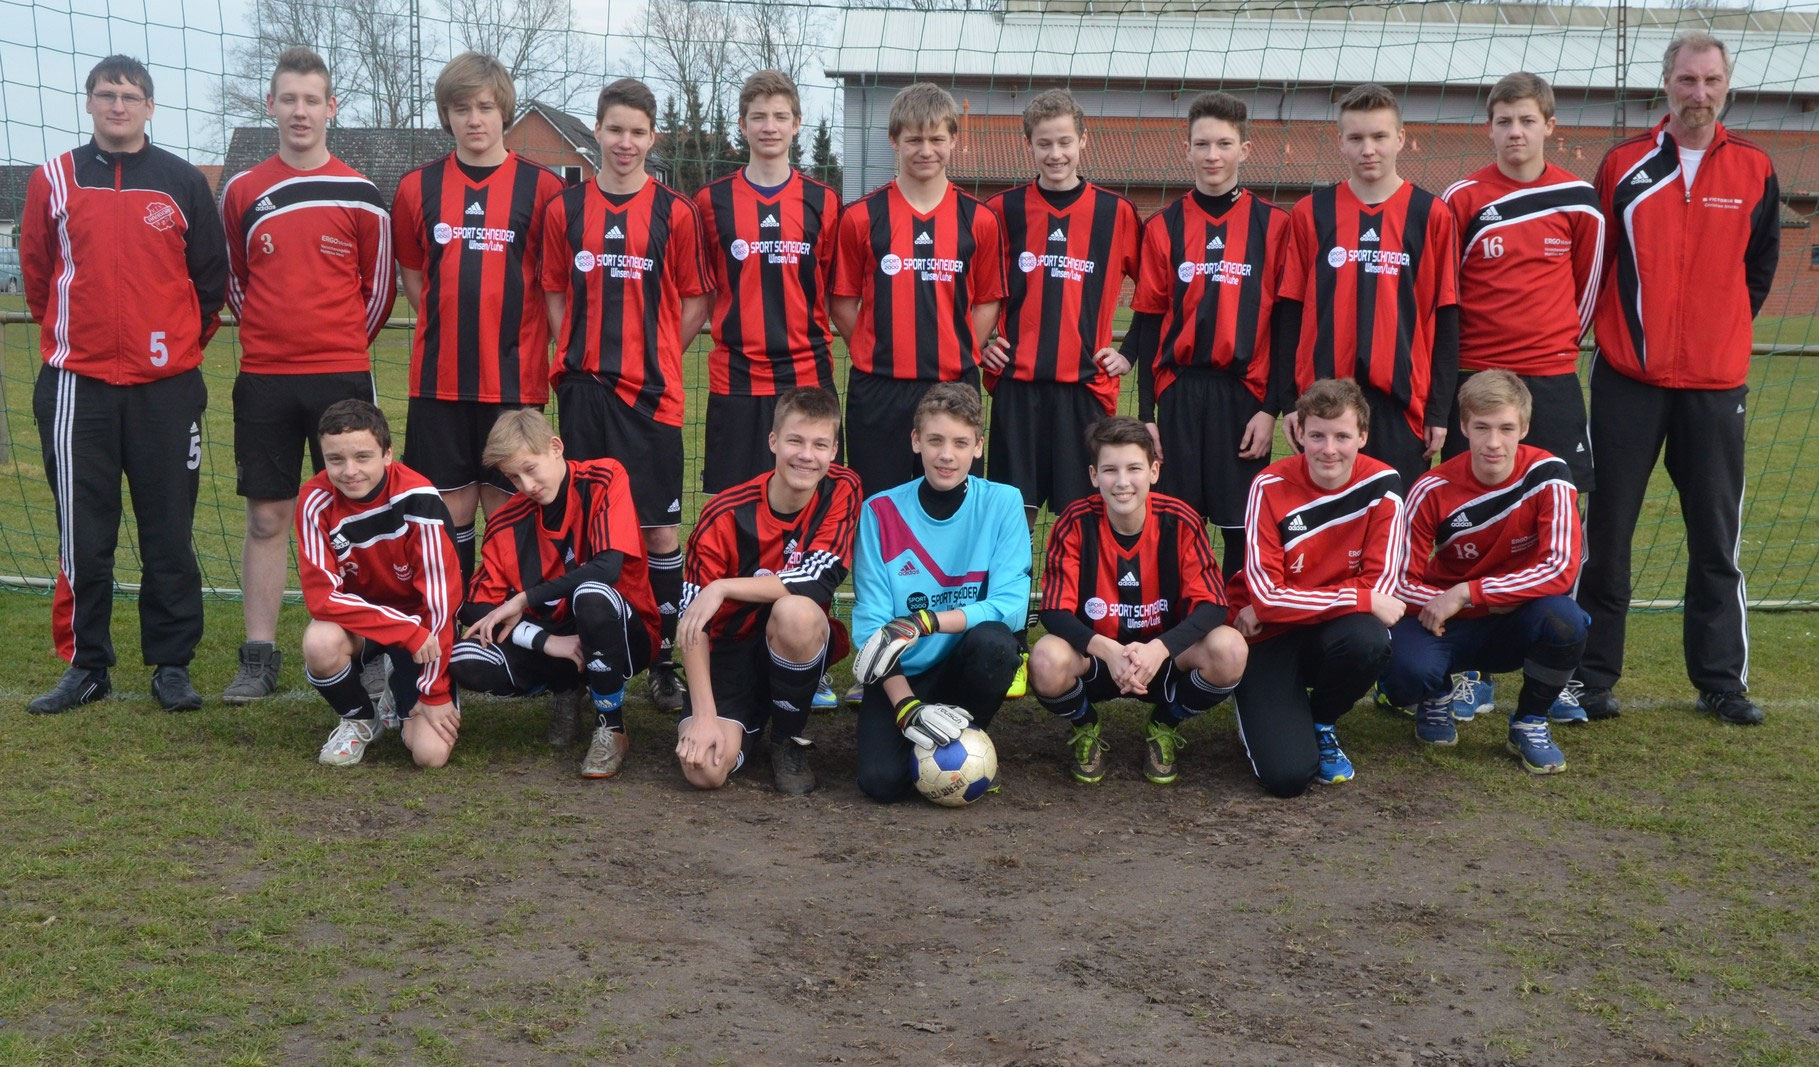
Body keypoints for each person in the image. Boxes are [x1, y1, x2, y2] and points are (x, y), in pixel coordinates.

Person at [1576, 32, 1779, 726]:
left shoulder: (1754, 168)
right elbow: (1597, 262)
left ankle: (1720, 680)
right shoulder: (1623, 165)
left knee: (1713, 537)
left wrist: (1717, 332)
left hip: (1714, 385)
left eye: (1711, 81)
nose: (1699, 93)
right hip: (1627, 380)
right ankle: (1590, 676)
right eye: (1687, 80)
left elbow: (1757, 271)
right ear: (1664, 83)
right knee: (1607, 533)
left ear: (1727, 85)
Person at [22, 55, 228, 714]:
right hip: (76, 385)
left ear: (149, 106)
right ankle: (86, 665)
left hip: (166, 386)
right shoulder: (53, 177)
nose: (118, 105)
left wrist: (168, 347)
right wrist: (75, 336)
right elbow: (36, 273)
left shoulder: (182, 181)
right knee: (84, 531)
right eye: (106, 94)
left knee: (168, 527)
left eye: (130, 95)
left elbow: (209, 281)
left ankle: (171, 664)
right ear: (88, 103)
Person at [218, 46, 394, 705]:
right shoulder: (240, 190)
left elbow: (377, 294)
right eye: (287, 98)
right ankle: (257, 657)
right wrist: (274, 335)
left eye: (311, 99)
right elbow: (236, 282)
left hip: (341, 376)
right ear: (271, 105)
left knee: (359, 513)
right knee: (267, 516)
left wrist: (338, 342)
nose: (299, 111)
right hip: (264, 376)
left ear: (331, 108)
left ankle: (369, 649)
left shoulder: (362, 193)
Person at [1436, 71, 1604, 724]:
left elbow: (1586, 291)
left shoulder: (1577, 199)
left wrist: (1552, 350)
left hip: (1551, 382)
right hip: (1475, 379)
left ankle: (1551, 668)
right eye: (1503, 120)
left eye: (1526, 120)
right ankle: (1469, 666)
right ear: (1488, 127)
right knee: (1468, 524)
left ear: (1549, 125)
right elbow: (1445, 295)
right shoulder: (1461, 198)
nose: (1514, 132)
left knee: (1556, 519)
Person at [541, 76, 712, 715]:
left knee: (659, 531)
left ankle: (664, 659)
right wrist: (578, 351)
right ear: (597, 130)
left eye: (638, 131)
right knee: (583, 531)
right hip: (584, 393)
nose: (625, 142)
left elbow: (697, 297)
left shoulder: (677, 211)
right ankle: (583, 667)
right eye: (615, 129)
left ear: (653, 137)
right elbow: (555, 291)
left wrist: (664, 348)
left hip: (652, 397)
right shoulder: (566, 208)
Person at [391, 52, 564, 587]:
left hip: (514, 380)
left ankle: (508, 627)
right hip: (439, 382)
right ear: (446, 115)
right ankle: (453, 624)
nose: (474, 119)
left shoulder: (544, 189)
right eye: (461, 107)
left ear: (503, 111)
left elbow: (553, 285)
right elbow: (416, 279)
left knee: (509, 505)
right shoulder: (416, 188)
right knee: (449, 509)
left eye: (485, 107)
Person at [1378, 371, 1587, 774]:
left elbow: (1560, 568)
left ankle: (1529, 721)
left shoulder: (1549, 477)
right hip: (1443, 620)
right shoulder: (1431, 487)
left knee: (1566, 621)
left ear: (1524, 427)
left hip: (1511, 618)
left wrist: (1469, 593)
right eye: (1482, 428)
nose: (1494, 443)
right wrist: (1447, 602)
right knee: (1404, 671)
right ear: (1463, 427)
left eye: (1507, 428)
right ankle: (1434, 695)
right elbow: (1398, 579)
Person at [1031, 417, 1249, 785]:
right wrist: (1109, 651)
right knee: (1046, 659)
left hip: (1165, 658)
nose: (1122, 482)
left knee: (1230, 650)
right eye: (1110, 470)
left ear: (1154, 471)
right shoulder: (1074, 522)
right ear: (1093, 475)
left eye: (1134, 468)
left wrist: (1160, 649)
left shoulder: (1180, 520)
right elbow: (1053, 610)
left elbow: (1213, 604)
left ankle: (1166, 722)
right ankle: (1086, 726)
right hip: (1099, 660)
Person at [1129, 92, 1291, 580]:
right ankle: (1176, 633)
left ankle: (1234, 634)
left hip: (1243, 397)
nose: (1212, 155)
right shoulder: (1163, 225)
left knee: (1242, 526)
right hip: (1180, 392)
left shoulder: (1276, 226)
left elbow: (1287, 327)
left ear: (1245, 148)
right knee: (1175, 524)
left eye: (1224, 144)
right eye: (1202, 144)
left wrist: (1271, 409)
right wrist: (1147, 417)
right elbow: (1153, 321)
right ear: (1187, 151)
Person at [449, 410, 660, 779]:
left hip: (624, 631)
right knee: (466, 656)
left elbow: (607, 568)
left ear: (556, 447)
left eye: (531, 468)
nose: (526, 484)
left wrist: (523, 599)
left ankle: (611, 727)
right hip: (557, 642)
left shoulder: (604, 478)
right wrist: (544, 640)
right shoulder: (506, 521)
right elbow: (476, 606)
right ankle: (566, 687)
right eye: (513, 476)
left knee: (591, 594)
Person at [673, 388, 862, 795]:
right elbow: (691, 625)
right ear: (774, 441)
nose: (806, 455)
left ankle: (787, 741)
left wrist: (722, 587)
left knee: (798, 611)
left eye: (820, 445)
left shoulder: (843, 489)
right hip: (728, 653)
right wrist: (705, 716)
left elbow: (816, 581)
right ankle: (745, 721)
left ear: (833, 451)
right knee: (703, 770)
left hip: (792, 637)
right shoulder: (722, 514)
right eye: (795, 440)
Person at [849, 383, 1030, 802]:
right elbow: (873, 634)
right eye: (935, 440)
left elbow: (1013, 606)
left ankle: (971, 744)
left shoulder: (1003, 503)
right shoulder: (880, 512)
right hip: (901, 673)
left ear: (978, 447)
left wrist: (925, 621)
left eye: (960, 442)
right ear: (916, 441)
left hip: (963, 665)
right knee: (881, 783)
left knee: (996, 644)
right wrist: (907, 707)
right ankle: (919, 725)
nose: (946, 455)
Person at [1279, 83, 1461, 493]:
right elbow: (1290, 311)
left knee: (1394, 526)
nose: (1368, 149)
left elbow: (1446, 317)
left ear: (1400, 138)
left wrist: (1439, 411)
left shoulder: (1431, 214)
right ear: (1339, 142)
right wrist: (1289, 400)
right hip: (1324, 406)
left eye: (1379, 136)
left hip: (1401, 405)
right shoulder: (1311, 213)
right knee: (1325, 529)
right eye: (1356, 138)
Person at [1229, 378, 1403, 797]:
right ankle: (1264, 709)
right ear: (1298, 435)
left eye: (1342, 436)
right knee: (1287, 778)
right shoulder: (1268, 486)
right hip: (1268, 637)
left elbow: (1381, 587)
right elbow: (1268, 599)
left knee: (1369, 638)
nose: (1329, 449)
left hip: (1331, 631)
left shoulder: (1384, 486)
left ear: (1362, 436)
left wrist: (1285, 600)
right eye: (1317, 436)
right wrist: (1357, 597)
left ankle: (1321, 720)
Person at [831, 82, 1005, 498]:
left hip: (953, 384)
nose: (925, 150)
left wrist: (959, 347)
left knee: (954, 504)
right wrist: (876, 346)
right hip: (879, 388)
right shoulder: (861, 217)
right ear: (894, 141)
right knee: (878, 505)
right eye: (914, 139)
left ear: (954, 142)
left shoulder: (978, 219)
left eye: (936, 139)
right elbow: (841, 301)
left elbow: (987, 302)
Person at [982, 89, 1141, 523]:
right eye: (1044, 144)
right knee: (1014, 520)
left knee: (1086, 518)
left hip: (1085, 390)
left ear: (1084, 141)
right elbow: (964, 286)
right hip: (1018, 389)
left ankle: (1079, 595)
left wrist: (1128, 353)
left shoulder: (1117, 213)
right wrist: (981, 342)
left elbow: (1158, 294)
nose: (1056, 154)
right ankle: (1011, 594)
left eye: (1065, 142)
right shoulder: (1001, 210)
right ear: (1028, 145)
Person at [693, 70, 843, 494]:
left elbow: (833, 288)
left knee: (812, 503)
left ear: (797, 124)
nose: (769, 127)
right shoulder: (710, 202)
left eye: (780, 117)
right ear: (742, 125)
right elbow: (704, 289)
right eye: (759, 117)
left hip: (807, 373)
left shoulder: (823, 201)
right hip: (736, 377)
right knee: (733, 505)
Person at [295, 401, 462, 767]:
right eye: (335, 459)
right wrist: (402, 631)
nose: (349, 471)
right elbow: (323, 599)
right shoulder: (314, 500)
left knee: (429, 755)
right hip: (371, 626)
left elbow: (440, 604)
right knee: (320, 642)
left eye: (363, 457)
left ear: (387, 454)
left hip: (423, 630)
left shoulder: (418, 499)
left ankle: (397, 683)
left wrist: (434, 692)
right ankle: (358, 719)